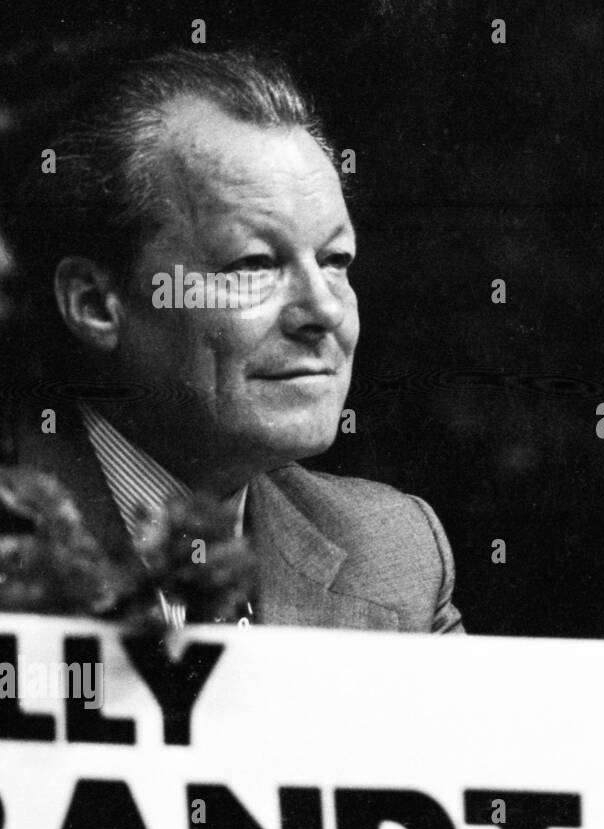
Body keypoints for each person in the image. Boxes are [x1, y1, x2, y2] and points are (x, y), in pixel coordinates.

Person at [1, 49, 461, 634]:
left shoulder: (393, 555)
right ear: (94, 304)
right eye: (253, 264)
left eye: (336, 259)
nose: (322, 309)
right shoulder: (14, 530)